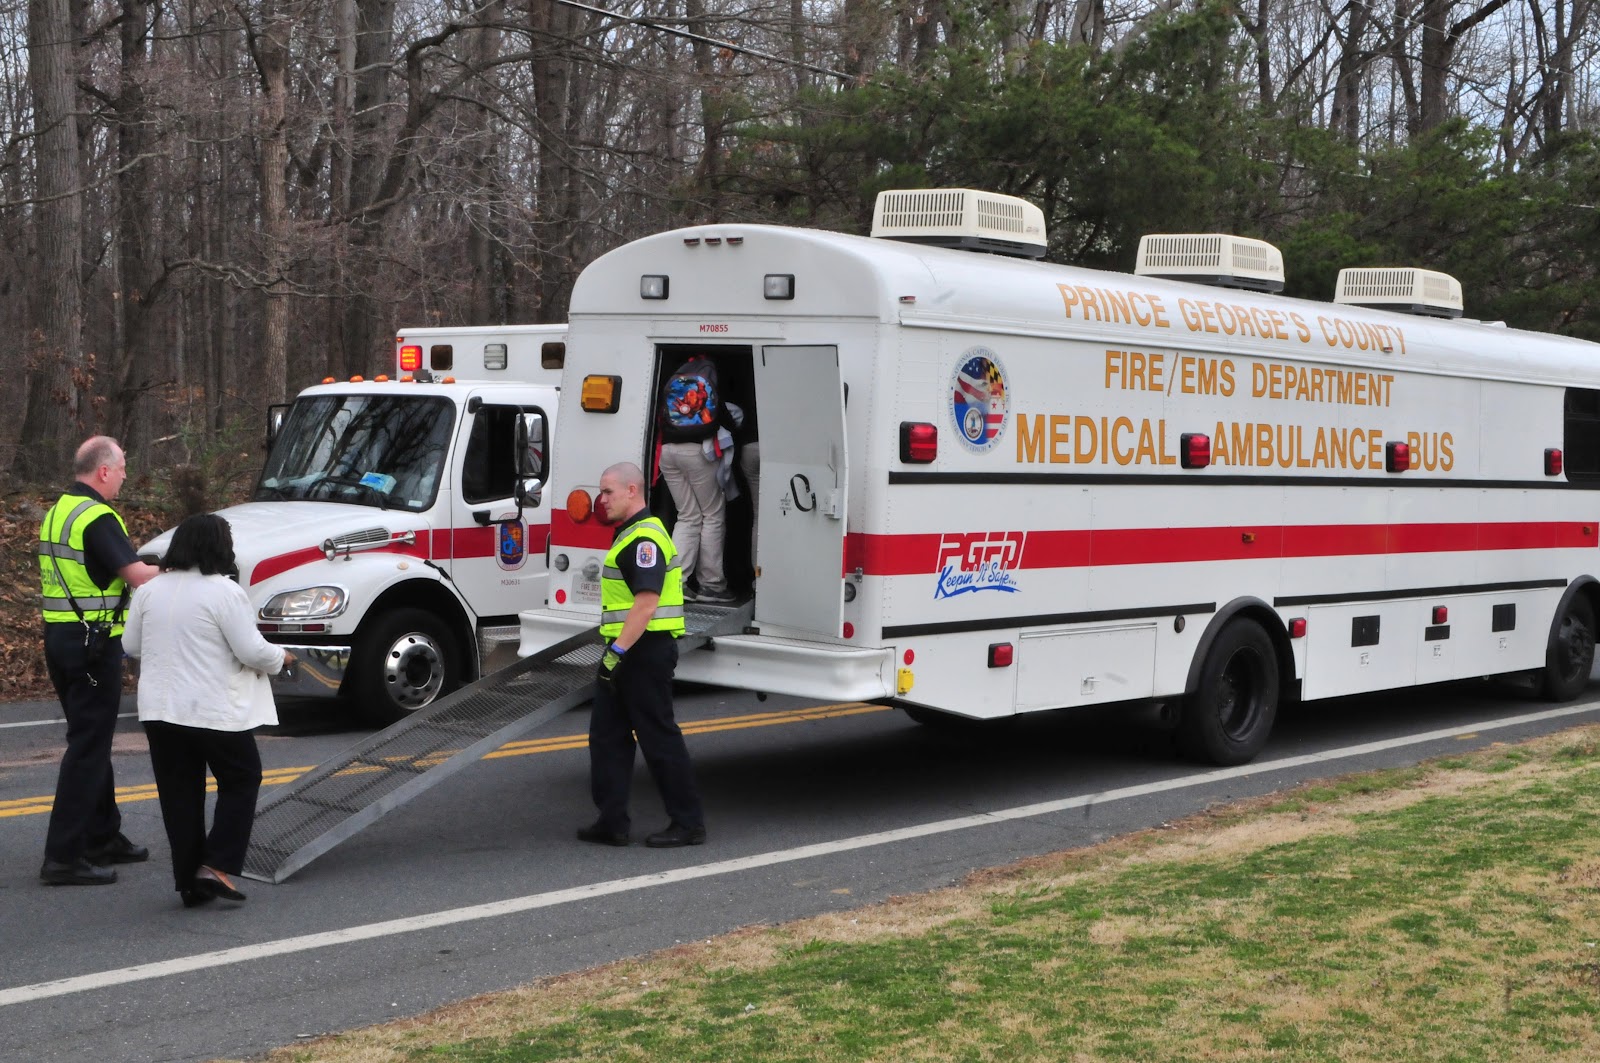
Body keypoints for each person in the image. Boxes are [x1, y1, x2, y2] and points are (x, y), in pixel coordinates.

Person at [123, 513, 290, 907]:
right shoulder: (224, 592)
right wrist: (281, 657)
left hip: (160, 710)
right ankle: (216, 866)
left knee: (179, 795)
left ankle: (189, 883)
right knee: (242, 778)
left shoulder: (149, 590)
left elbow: (131, 645)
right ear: (219, 547)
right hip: (213, 709)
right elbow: (250, 650)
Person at [38, 436, 161, 886]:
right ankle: (62, 857)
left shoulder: (60, 510)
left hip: (62, 638)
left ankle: (102, 835)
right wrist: (183, 568)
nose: (125, 475)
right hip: (92, 644)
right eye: (122, 467)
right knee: (88, 749)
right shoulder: (97, 516)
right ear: (104, 471)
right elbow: (137, 576)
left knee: (91, 740)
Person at [578, 461, 706, 848]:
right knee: (607, 736)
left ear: (632, 491)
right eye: (601, 492)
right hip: (628, 650)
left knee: (657, 737)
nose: (601, 500)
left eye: (608, 492)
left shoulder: (644, 539)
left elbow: (646, 604)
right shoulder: (630, 534)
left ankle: (688, 823)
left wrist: (617, 652)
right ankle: (611, 822)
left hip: (643, 651)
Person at [658, 353, 737, 603]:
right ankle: (711, 585)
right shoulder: (708, 379)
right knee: (712, 515)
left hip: (667, 452)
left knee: (687, 516)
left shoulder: (676, 378)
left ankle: (676, 582)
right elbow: (724, 419)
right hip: (697, 452)